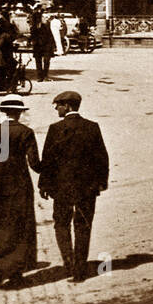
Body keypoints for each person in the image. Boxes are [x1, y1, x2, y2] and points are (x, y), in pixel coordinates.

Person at [39, 91, 109, 282]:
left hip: (61, 188)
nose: (56, 108)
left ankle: (68, 263)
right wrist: (101, 182)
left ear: (68, 106)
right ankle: (80, 268)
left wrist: (44, 184)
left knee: (61, 224)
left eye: (59, 105)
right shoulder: (92, 127)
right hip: (87, 188)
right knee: (83, 226)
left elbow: (48, 160)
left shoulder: (55, 129)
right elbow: (102, 157)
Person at [0, 98, 41, 287]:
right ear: (19, 113)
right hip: (19, 184)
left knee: (0, 226)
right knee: (19, 227)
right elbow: (34, 163)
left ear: (4, 112)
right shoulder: (26, 132)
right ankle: (15, 272)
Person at [0, 24, 17, 92]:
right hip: (2, 57)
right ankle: (7, 85)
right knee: (6, 70)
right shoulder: (5, 35)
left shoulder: (4, 35)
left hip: (2, 57)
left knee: (1, 72)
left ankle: (2, 86)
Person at [31, 17, 55, 81]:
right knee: (38, 61)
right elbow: (32, 36)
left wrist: (51, 46)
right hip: (37, 46)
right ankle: (39, 76)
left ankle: (45, 76)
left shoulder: (47, 26)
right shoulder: (34, 27)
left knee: (46, 61)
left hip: (46, 46)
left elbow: (50, 36)